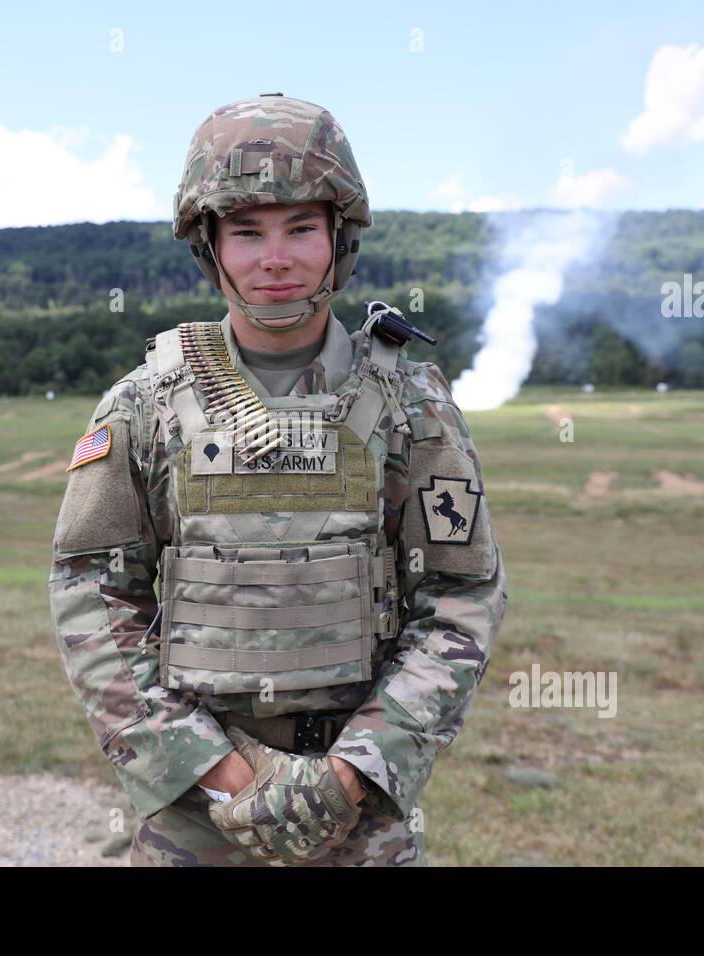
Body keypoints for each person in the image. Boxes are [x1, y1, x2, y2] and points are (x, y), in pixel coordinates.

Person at [48, 93, 507, 866]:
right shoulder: (145, 403)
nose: (275, 258)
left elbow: (460, 601)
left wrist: (354, 774)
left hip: (358, 808)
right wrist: (219, 773)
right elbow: (92, 598)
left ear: (340, 239)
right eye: (247, 232)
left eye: (301, 228)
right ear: (210, 247)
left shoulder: (409, 402)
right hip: (198, 811)